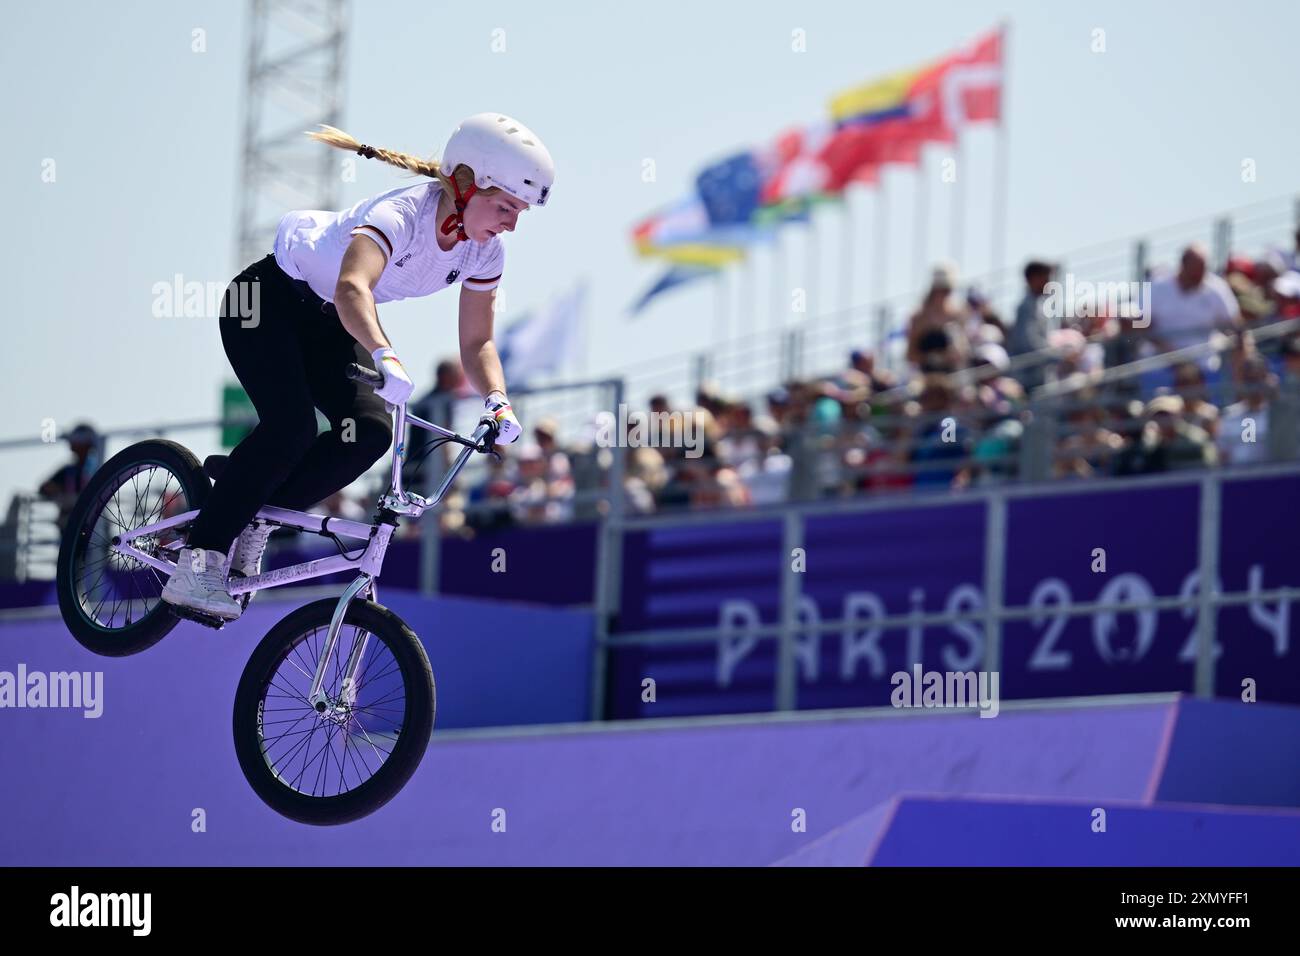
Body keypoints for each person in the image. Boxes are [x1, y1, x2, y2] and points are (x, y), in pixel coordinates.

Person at [163, 113, 554, 619]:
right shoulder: (403, 215)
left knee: (370, 431)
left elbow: (478, 340)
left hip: (332, 326)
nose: (511, 222)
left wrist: (498, 399)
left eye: (520, 211)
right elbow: (352, 288)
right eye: (505, 206)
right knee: (292, 428)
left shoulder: (485, 253)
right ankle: (199, 559)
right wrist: (384, 354)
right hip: (266, 303)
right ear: (463, 184)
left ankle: (256, 516)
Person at [38, 423, 101, 531]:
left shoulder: (95, 469)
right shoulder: (69, 471)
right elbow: (43, 488)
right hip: (70, 523)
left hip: (93, 525)